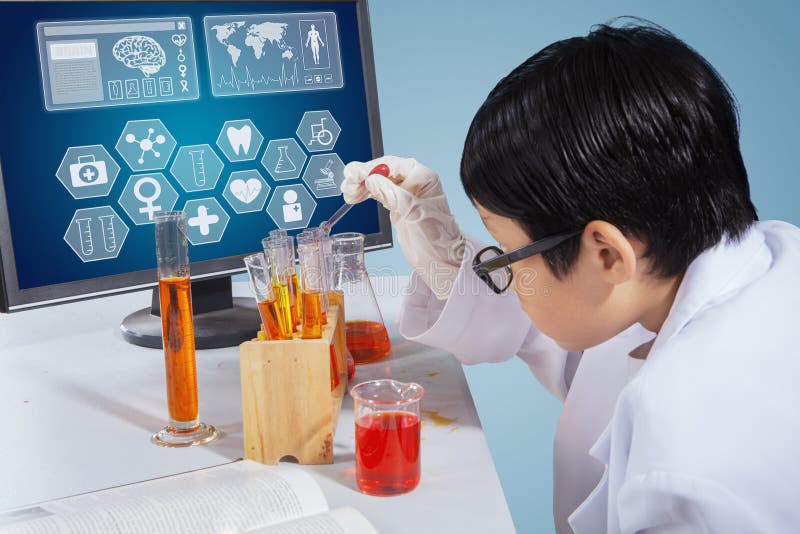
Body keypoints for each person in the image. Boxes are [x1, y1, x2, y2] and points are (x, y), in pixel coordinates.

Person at [341, 21, 800, 534]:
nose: (509, 274)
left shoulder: (689, 472)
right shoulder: (752, 261)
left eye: (510, 253)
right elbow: (588, 341)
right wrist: (447, 256)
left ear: (607, 253)